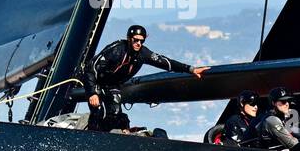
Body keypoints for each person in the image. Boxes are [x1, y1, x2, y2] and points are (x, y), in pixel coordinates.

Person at [79, 25, 208, 132]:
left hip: (113, 85)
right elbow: (91, 69)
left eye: (141, 41)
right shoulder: (116, 50)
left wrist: (191, 69)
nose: (138, 43)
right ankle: (91, 137)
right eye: (135, 40)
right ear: (129, 38)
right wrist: (92, 93)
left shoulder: (143, 53)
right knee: (99, 111)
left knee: (115, 113)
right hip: (96, 82)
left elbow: (165, 62)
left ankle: (113, 135)